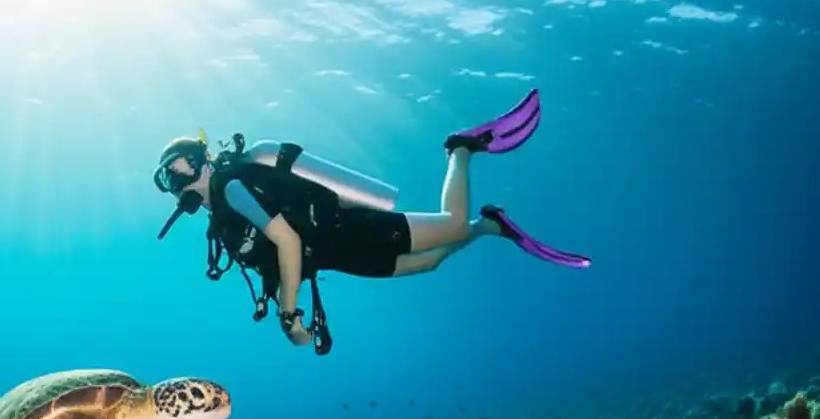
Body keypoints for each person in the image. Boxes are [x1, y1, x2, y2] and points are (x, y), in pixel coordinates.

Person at [151, 88, 590, 355]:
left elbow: (285, 240)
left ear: (201, 161)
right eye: (168, 176)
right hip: (341, 254)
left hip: (353, 230)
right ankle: (491, 224)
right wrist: (289, 311)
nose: (177, 178)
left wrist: (288, 316)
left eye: (182, 166)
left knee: (451, 224)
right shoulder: (222, 222)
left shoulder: (230, 186)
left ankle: (460, 149)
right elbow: (275, 260)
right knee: (430, 262)